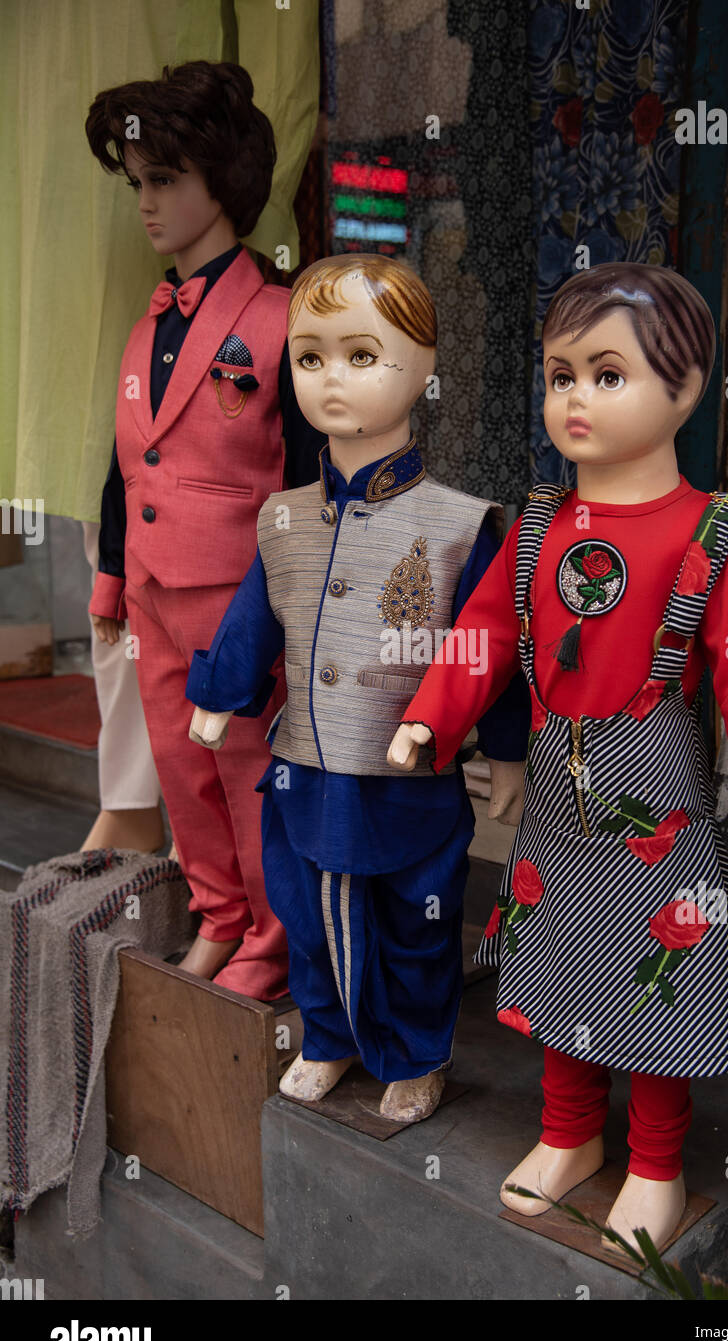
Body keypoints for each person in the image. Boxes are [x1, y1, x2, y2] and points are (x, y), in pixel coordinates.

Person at [388, 263, 728, 1243]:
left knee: (660, 978)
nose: (574, 398)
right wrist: (435, 713)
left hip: (660, 806)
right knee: (559, 970)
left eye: (607, 374)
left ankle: (654, 1161)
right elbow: (485, 636)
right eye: (560, 375)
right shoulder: (537, 527)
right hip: (559, 804)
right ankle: (568, 1134)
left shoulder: (713, 534)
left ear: (685, 388)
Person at [186, 254, 528, 1122]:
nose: (331, 378)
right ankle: (329, 1036)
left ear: (422, 369)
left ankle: (417, 1052)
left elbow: (490, 647)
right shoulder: (283, 516)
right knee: (305, 911)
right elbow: (253, 619)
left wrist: (511, 753)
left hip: (407, 779)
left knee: (415, 922)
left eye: (361, 356)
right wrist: (218, 696)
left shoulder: (460, 524)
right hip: (303, 765)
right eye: (309, 357)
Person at [85, 60, 323, 1000]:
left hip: (239, 598)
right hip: (152, 592)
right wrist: (110, 583)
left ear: (221, 181)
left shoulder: (278, 318)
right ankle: (220, 917)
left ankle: (271, 936)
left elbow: (309, 475)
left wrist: (298, 608)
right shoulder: (147, 323)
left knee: (247, 771)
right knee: (185, 774)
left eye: (164, 180)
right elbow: (125, 462)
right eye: (138, 182)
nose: (146, 204)